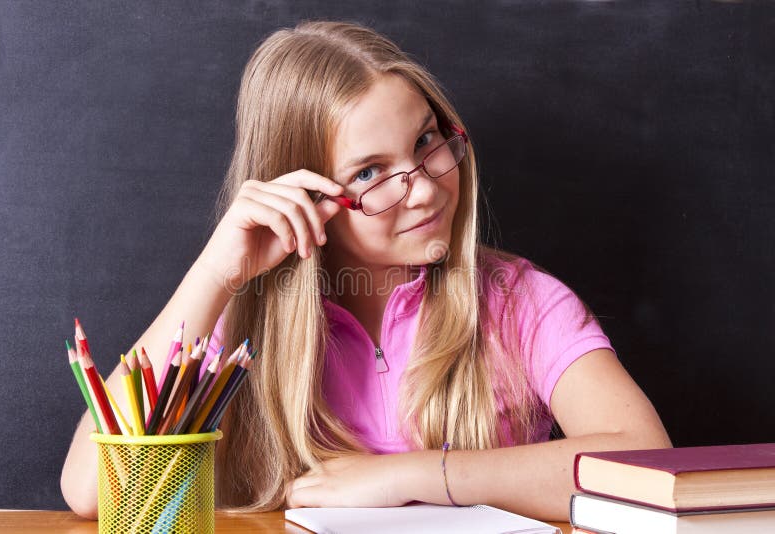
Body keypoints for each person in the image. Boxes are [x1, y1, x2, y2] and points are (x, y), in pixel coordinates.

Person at [60, 19, 671, 522]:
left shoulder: (520, 302)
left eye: (427, 141)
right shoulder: (247, 325)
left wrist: (410, 476)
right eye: (369, 173)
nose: (425, 190)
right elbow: (91, 491)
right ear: (306, 193)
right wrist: (217, 274)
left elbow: (646, 460)